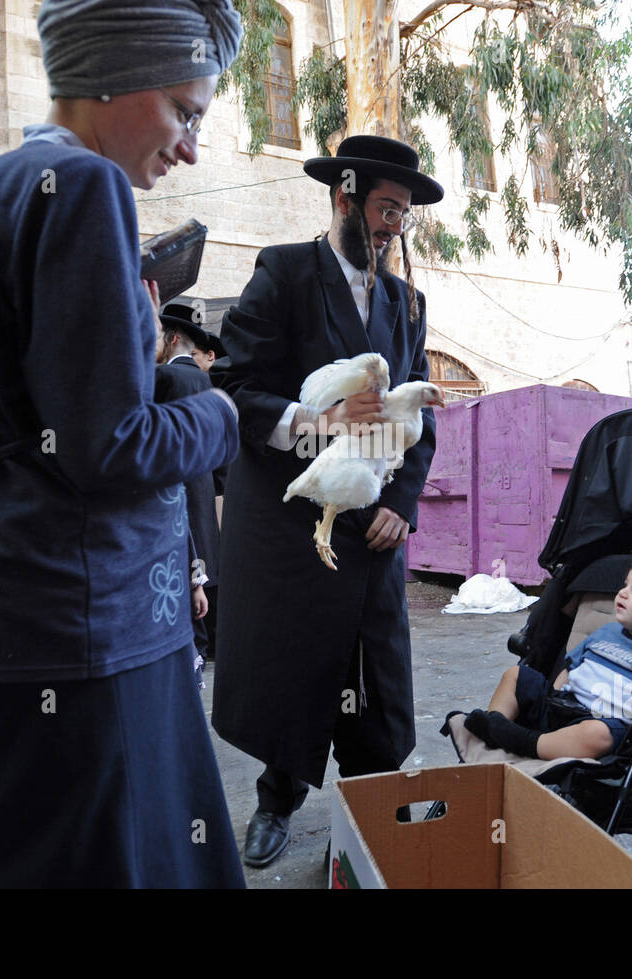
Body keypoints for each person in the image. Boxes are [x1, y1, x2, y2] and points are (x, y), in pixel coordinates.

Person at [0, 0, 246, 888]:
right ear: (116, 75)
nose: (191, 148)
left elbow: (25, 413)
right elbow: (105, 447)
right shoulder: (85, 188)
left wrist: (143, 364)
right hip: (67, 632)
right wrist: (214, 405)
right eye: (184, 112)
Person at [212, 135, 443, 868]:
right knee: (300, 680)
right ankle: (277, 797)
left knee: (374, 684)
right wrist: (315, 425)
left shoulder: (407, 304)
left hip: (373, 531)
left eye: (402, 214)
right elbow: (236, 387)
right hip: (299, 531)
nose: (392, 227)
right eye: (383, 209)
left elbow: (422, 418)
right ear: (343, 196)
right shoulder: (283, 274)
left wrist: (400, 502)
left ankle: (377, 812)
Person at [461, 553, 632, 760]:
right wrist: (552, 697)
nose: (622, 594)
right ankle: (495, 724)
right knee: (515, 675)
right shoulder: (605, 633)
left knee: (597, 735)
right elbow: (569, 669)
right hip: (562, 705)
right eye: (625, 585)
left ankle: (522, 741)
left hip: (603, 722)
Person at [154, 301, 224, 679]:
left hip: (173, 502)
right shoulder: (203, 380)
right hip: (200, 497)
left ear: (173, 337)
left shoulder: (163, 380)